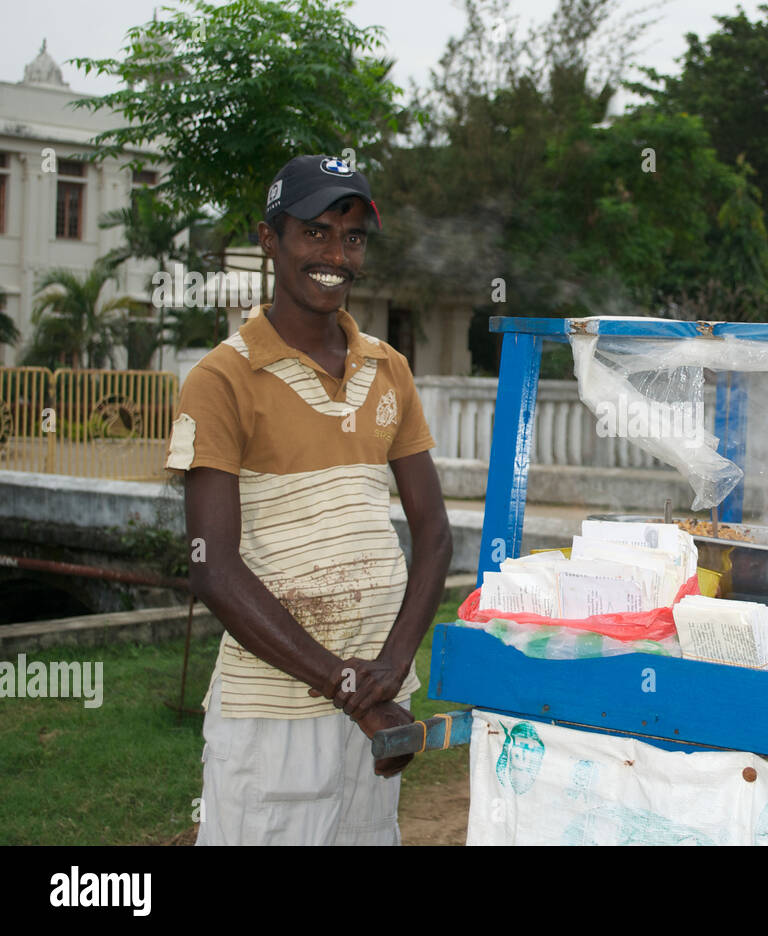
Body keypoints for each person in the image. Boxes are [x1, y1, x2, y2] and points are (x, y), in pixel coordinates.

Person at [165, 154, 453, 845]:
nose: (336, 255)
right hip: (276, 714)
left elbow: (435, 534)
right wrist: (347, 686)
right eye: (315, 233)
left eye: (352, 238)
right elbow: (212, 565)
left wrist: (389, 673)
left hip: (378, 706)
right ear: (270, 239)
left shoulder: (389, 369)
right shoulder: (222, 379)